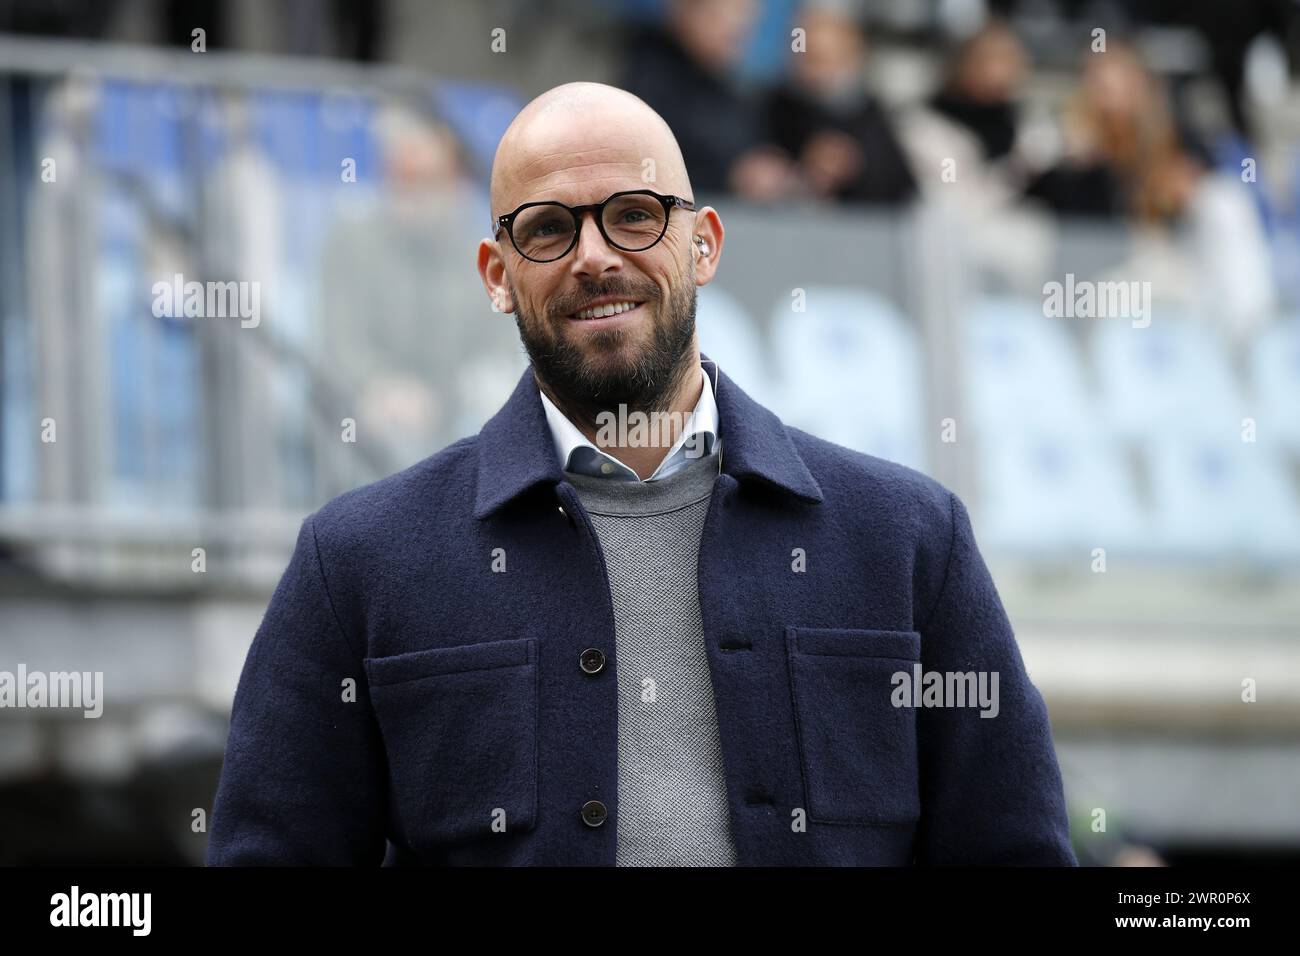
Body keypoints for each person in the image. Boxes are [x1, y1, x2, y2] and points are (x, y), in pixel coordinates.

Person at [206, 81, 1077, 866]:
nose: (593, 256)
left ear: (704, 245)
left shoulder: (910, 540)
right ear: (498, 275)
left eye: (635, 215)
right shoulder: (357, 563)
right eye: (548, 227)